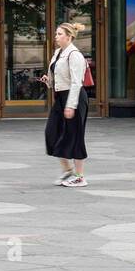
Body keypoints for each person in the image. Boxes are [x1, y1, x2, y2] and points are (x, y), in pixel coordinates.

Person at [42, 22, 90, 187]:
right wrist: (49, 82)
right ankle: (67, 170)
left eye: (60, 34)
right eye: (56, 34)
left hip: (74, 98)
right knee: (52, 133)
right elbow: (57, 79)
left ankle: (80, 176)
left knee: (75, 135)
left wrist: (71, 105)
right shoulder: (57, 53)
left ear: (69, 37)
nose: (56, 37)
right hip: (61, 97)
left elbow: (77, 83)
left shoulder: (75, 55)